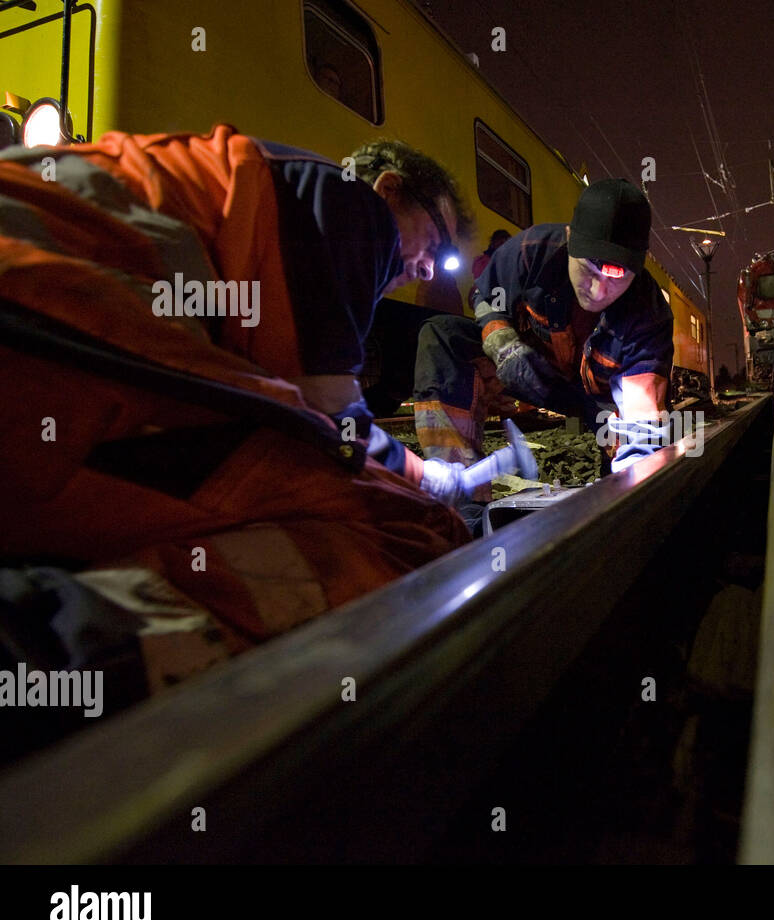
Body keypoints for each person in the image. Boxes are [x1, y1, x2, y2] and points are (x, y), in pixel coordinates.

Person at [0, 125, 532, 675]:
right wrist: (431, 483)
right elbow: (332, 429)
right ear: (390, 190)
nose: (427, 269)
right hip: (44, 312)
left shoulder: (252, 194)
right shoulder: (349, 204)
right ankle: (57, 655)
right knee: (398, 532)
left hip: (48, 321)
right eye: (436, 243)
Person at [411, 178, 675, 480]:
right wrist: (503, 345)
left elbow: (641, 412)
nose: (599, 290)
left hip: (601, 401)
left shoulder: (649, 312)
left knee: (626, 472)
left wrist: (634, 475)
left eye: (617, 277)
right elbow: (486, 297)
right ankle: (459, 488)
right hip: (532, 371)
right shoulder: (533, 250)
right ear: (569, 240)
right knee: (443, 336)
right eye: (588, 270)